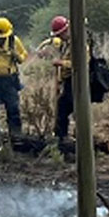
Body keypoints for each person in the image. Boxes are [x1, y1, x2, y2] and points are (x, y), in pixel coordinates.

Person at [41, 15, 80, 146]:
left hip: (77, 82)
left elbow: (81, 64)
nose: (59, 37)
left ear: (65, 30)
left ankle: (67, 139)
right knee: (63, 109)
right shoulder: (66, 44)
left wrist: (61, 63)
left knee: (67, 110)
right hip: (67, 81)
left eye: (60, 34)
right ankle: (61, 139)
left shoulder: (79, 43)